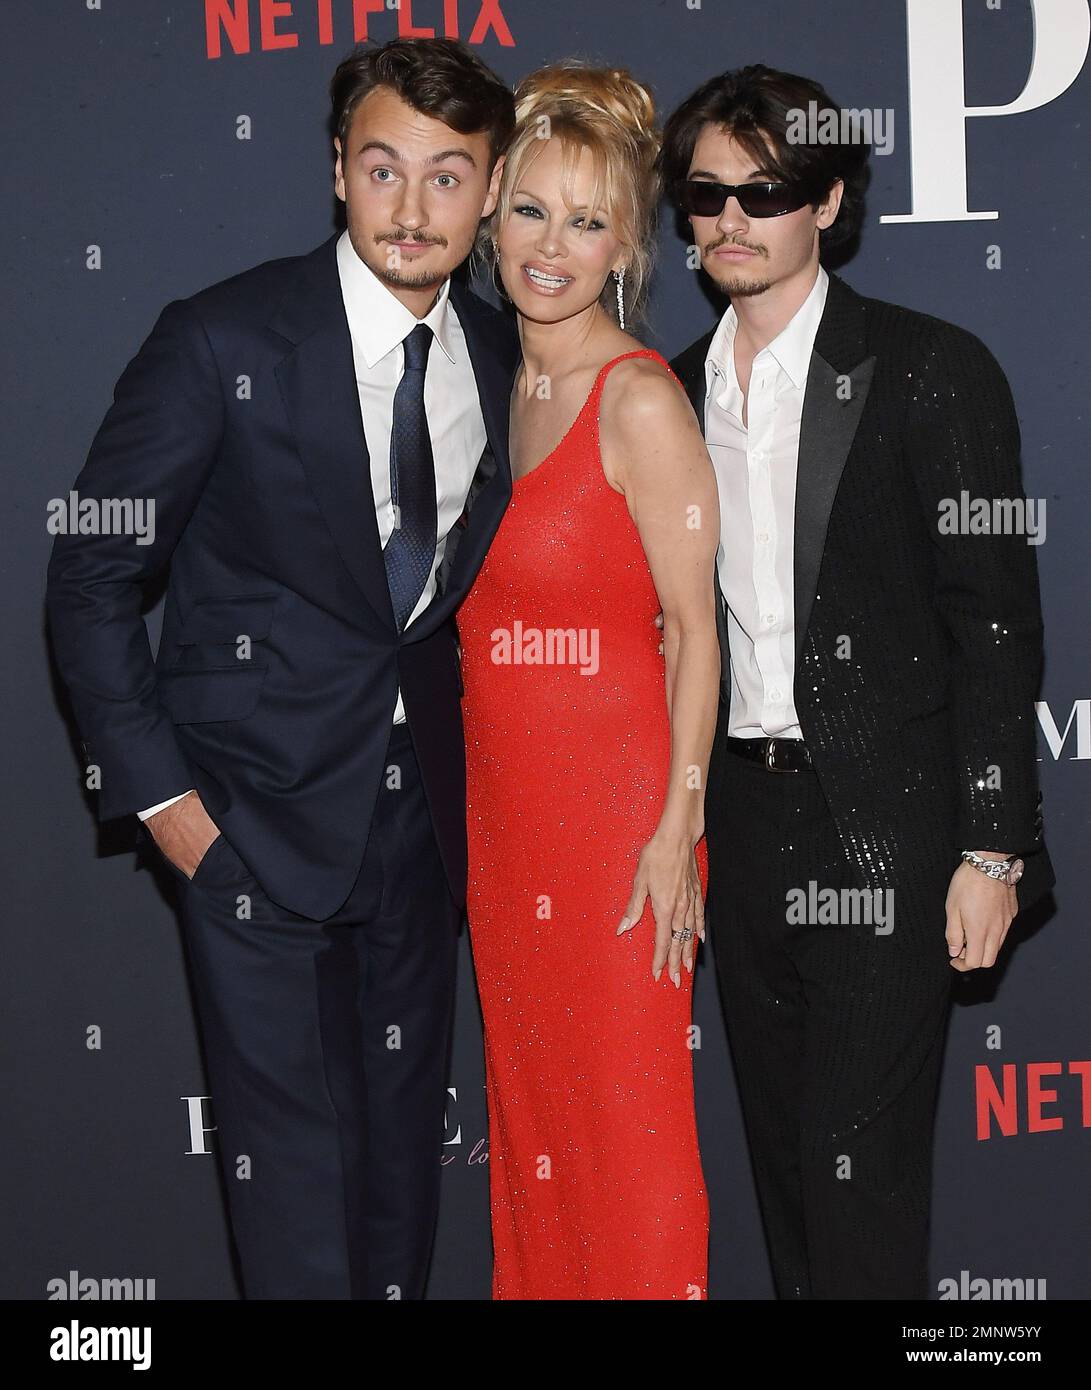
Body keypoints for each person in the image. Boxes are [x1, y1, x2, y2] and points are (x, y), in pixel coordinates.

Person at [45, 37, 517, 1300]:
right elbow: (91, 577)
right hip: (251, 828)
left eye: (446, 176)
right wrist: (170, 808)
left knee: (398, 1180)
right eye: (380, 169)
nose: (410, 210)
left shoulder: (504, 350)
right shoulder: (219, 338)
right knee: (293, 1192)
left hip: (425, 838)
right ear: (334, 172)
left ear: (487, 187)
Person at [660, 63, 1054, 1299]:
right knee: (782, 1168)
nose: (729, 218)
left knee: (857, 1171)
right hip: (744, 817)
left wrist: (990, 849)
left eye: (762, 190)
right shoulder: (665, 392)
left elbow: (992, 622)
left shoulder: (930, 368)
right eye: (705, 192)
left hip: (887, 826)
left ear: (827, 199)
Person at [458, 61, 721, 1300]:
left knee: (629, 1136)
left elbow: (694, 628)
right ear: (491, 210)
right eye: (528, 211)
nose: (547, 247)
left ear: (624, 243)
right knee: (537, 1129)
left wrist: (677, 826)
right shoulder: (481, 386)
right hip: (507, 831)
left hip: (622, 826)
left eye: (584, 220)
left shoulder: (640, 400)